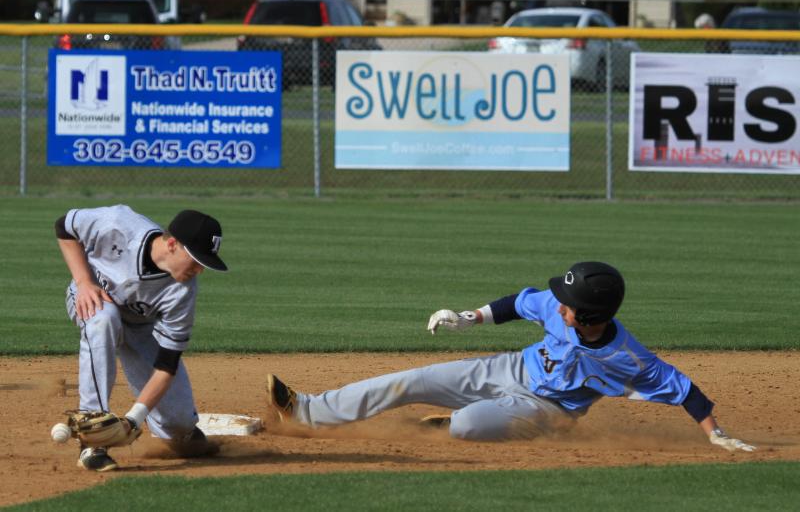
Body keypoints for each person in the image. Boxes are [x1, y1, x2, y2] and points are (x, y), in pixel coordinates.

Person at [265, 261, 754, 452]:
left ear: (588, 317)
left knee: (464, 428)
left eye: (567, 303)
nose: (555, 303)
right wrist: (467, 317)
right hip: (506, 368)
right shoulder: (556, 307)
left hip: (546, 409)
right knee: (411, 381)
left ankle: (464, 420)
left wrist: (718, 436)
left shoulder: (628, 358)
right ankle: (307, 409)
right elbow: (515, 304)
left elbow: (684, 390)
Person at [56, 205, 228, 471]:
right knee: (103, 319)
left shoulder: (182, 291)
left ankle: (181, 431)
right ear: (172, 244)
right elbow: (64, 226)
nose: (199, 270)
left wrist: (134, 419)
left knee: (180, 424)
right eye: (195, 260)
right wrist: (83, 282)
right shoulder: (118, 224)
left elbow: (167, 363)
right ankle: (92, 441)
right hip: (92, 300)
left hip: (141, 328)